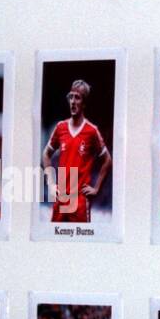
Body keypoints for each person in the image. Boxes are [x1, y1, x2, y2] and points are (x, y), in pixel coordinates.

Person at [42, 79, 111, 224]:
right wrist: (51, 183)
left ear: (84, 103)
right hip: (61, 198)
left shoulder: (92, 131)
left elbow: (107, 161)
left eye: (77, 97)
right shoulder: (60, 127)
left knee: (80, 244)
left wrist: (96, 188)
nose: (73, 101)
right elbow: (46, 154)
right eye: (71, 96)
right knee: (54, 242)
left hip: (80, 201)